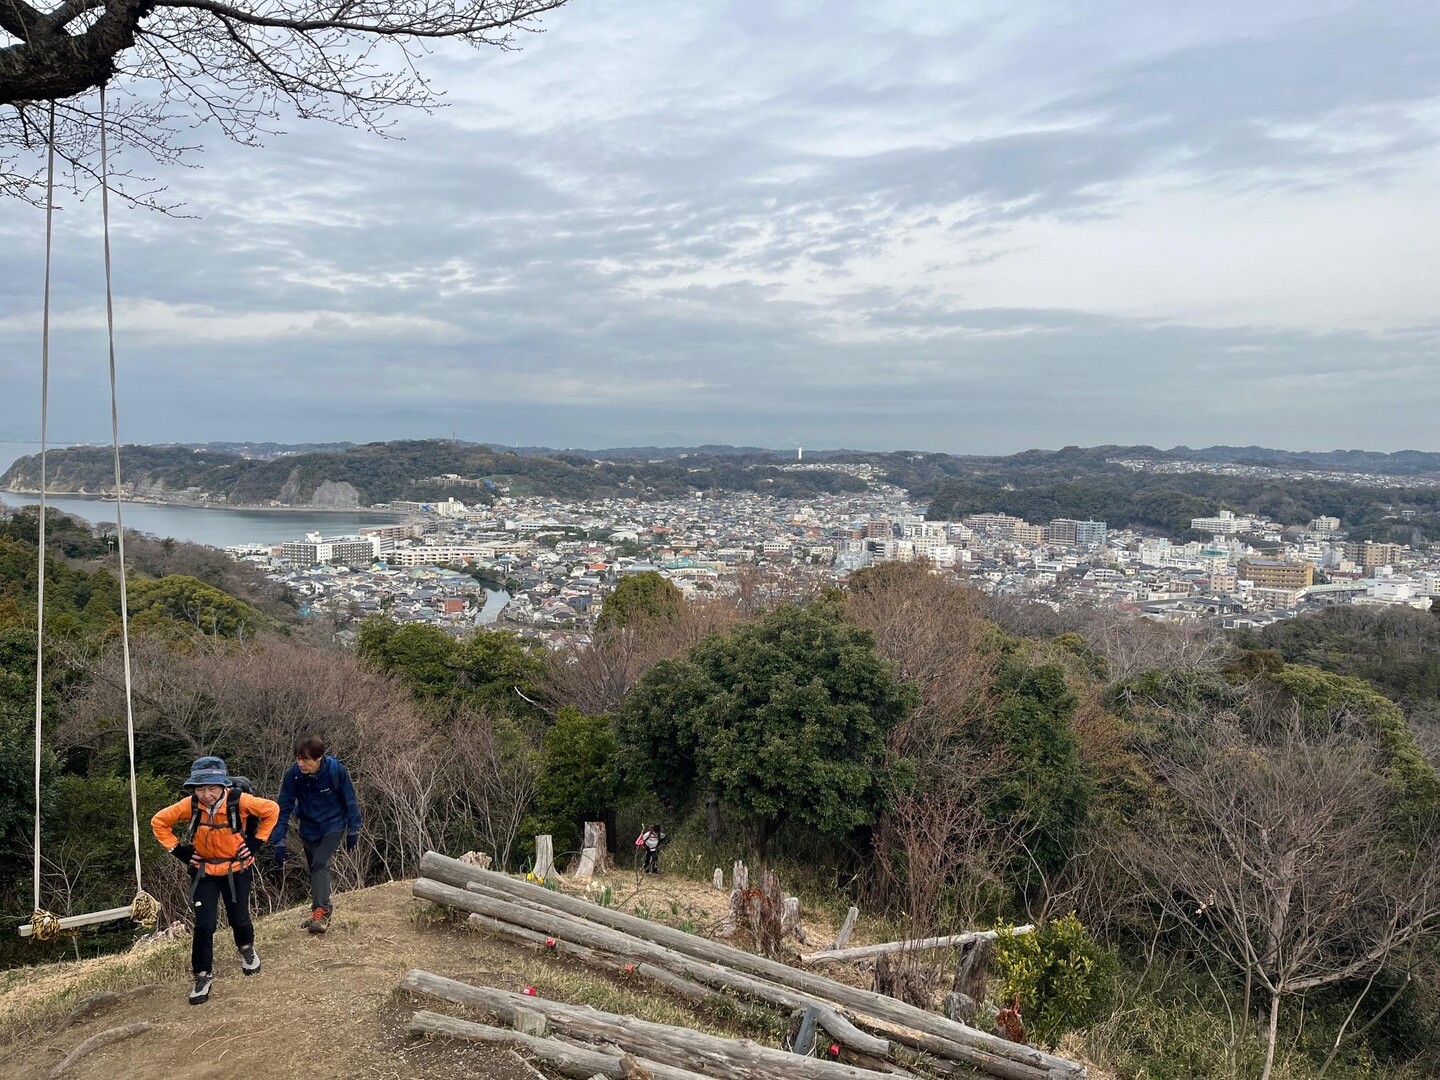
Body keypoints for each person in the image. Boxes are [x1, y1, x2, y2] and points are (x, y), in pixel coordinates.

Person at [152, 755, 279, 1006]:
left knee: (239, 917)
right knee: (204, 925)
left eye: (212, 787)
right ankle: (202, 975)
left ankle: (246, 948)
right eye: (201, 788)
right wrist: (181, 852)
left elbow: (272, 810)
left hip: (237, 869)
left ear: (224, 786)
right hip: (204, 872)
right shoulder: (190, 805)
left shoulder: (238, 801)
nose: (207, 794)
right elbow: (159, 822)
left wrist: (255, 844)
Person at [271, 735, 362, 934]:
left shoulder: (335, 771)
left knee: (321, 863)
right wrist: (279, 839)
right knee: (314, 867)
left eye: (305, 759)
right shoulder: (293, 775)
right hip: (309, 826)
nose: (300, 763)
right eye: (298, 758)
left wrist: (353, 828)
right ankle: (317, 912)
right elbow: (283, 806)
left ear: (319, 757)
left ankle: (323, 912)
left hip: (333, 824)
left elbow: (350, 799)